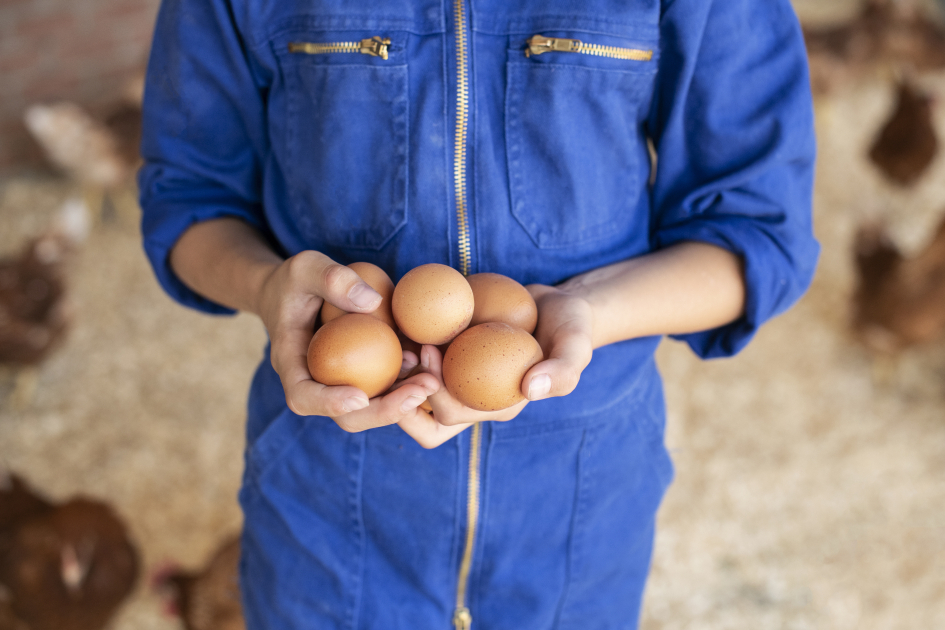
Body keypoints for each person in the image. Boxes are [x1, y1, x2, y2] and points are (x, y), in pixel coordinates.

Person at [139, 0, 819, 628]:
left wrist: (584, 313)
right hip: (326, 487)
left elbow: (757, 235)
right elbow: (190, 199)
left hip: (577, 493)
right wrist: (266, 288)